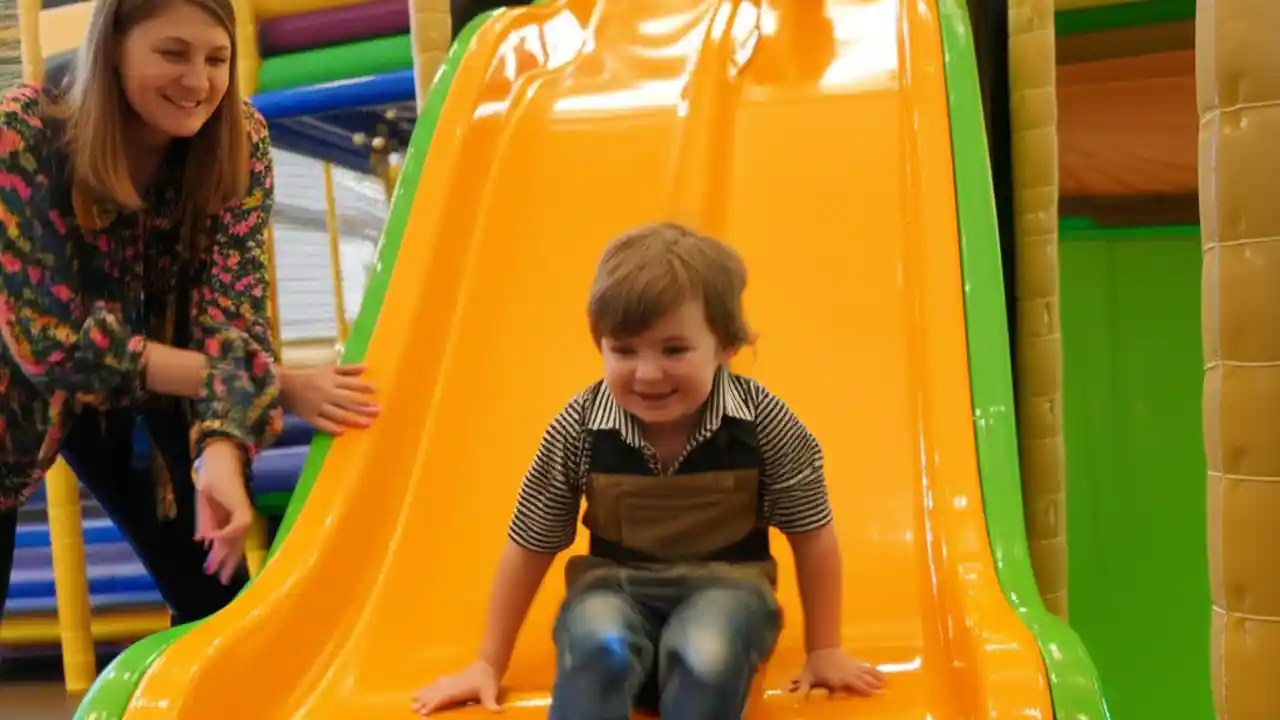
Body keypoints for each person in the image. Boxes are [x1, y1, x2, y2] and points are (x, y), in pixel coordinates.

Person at [0, 0, 378, 626]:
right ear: (114, 47)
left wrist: (223, 446)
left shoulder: (240, 139)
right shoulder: (27, 131)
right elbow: (51, 344)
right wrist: (259, 380)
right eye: (172, 53)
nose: (198, 82)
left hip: (141, 374)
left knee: (215, 597)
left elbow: (235, 309)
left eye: (217, 58)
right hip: (23, 382)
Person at [410, 223, 885, 717]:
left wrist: (824, 648)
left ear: (726, 345)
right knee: (599, 647)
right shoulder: (579, 427)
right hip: (614, 586)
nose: (648, 373)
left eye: (674, 349)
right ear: (601, 346)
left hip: (729, 587)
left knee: (706, 651)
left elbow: (812, 534)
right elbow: (531, 540)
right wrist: (488, 662)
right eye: (624, 350)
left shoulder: (764, 423)